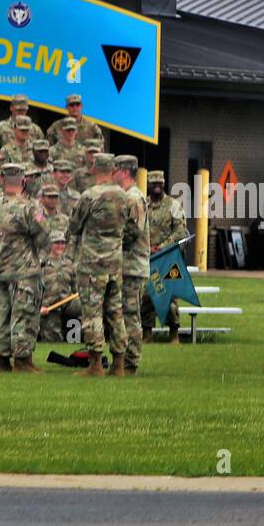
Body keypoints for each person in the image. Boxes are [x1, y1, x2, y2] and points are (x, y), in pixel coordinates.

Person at [65, 153, 134, 377]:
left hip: (92, 265)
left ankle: (95, 364)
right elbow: (133, 230)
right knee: (115, 312)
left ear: (94, 169)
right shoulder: (125, 197)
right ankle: (119, 364)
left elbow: (74, 226)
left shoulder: (89, 196)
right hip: (115, 264)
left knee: (92, 313)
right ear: (113, 170)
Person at [0, 163, 49, 372]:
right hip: (24, 270)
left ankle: (2, 360)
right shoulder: (30, 207)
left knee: (0, 314)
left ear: (1, 179)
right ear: (24, 181)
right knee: (24, 313)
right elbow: (44, 234)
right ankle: (22, 360)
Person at [113, 155, 150, 375]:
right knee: (124, 314)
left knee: (130, 315)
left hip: (133, 267)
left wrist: (109, 237)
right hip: (126, 266)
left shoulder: (134, 198)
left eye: (115, 169)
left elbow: (132, 231)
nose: (113, 173)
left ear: (125, 172)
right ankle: (124, 359)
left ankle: (131, 362)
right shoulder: (126, 196)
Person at [142, 170, 188, 344]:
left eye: (159, 183)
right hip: (147, 258)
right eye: (153, 183)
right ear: (149, 185)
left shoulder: (173, 205)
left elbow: (180, 231)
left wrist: (161, 247)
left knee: (169, 297)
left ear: (163, 184)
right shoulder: (142, 204)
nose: (157, 187)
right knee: (146, 296)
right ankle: (147, 334)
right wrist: (147, 248)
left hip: (168, 257)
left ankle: (174, 334)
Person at [39, 224, 82, 343]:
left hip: (67, 303)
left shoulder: (69, 264)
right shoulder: (42, 266)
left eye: (62, 243)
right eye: (56, 243)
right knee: (53, 339)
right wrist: (39, 307)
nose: (60, 246)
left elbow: (75, 288)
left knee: (88, 309)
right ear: (50, 244)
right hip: (49, 307)